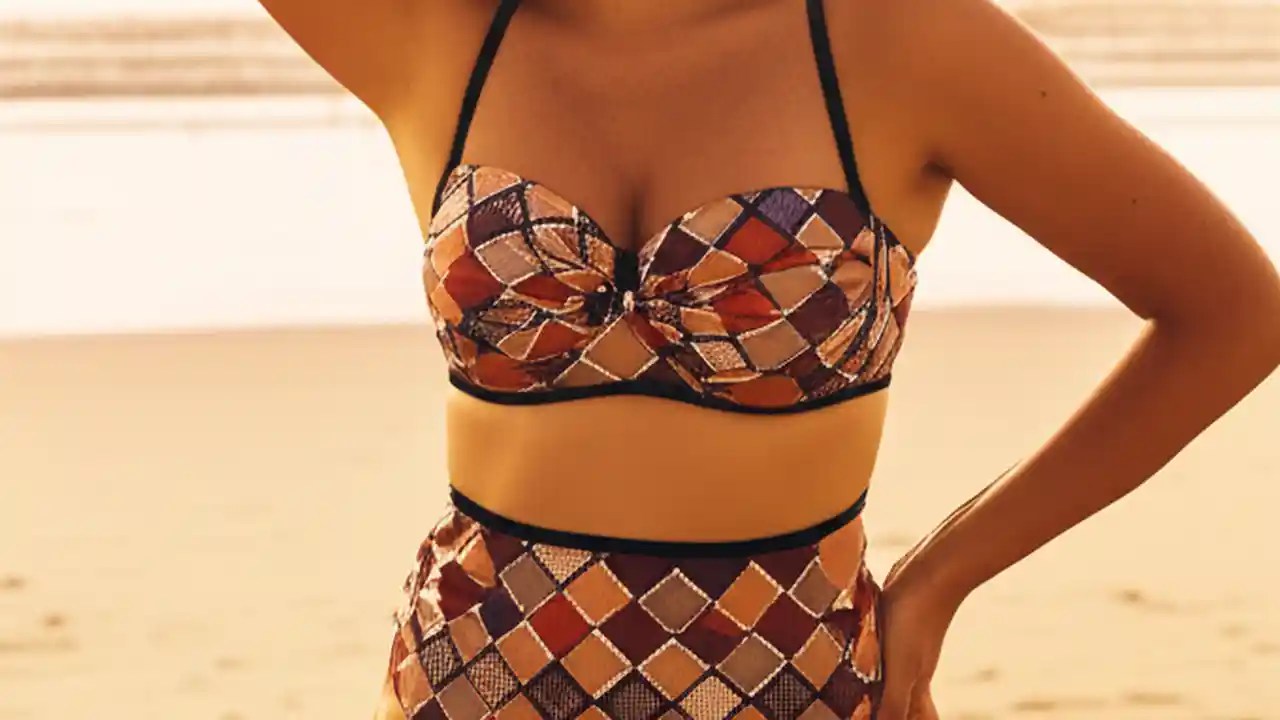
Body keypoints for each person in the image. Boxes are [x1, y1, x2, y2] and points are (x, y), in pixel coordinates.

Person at [256, 0, 1280, 717]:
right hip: (467, 681)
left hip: (785, 685)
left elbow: (1232, 313)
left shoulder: (899, 38)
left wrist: (938, 577)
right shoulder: (435, 25)